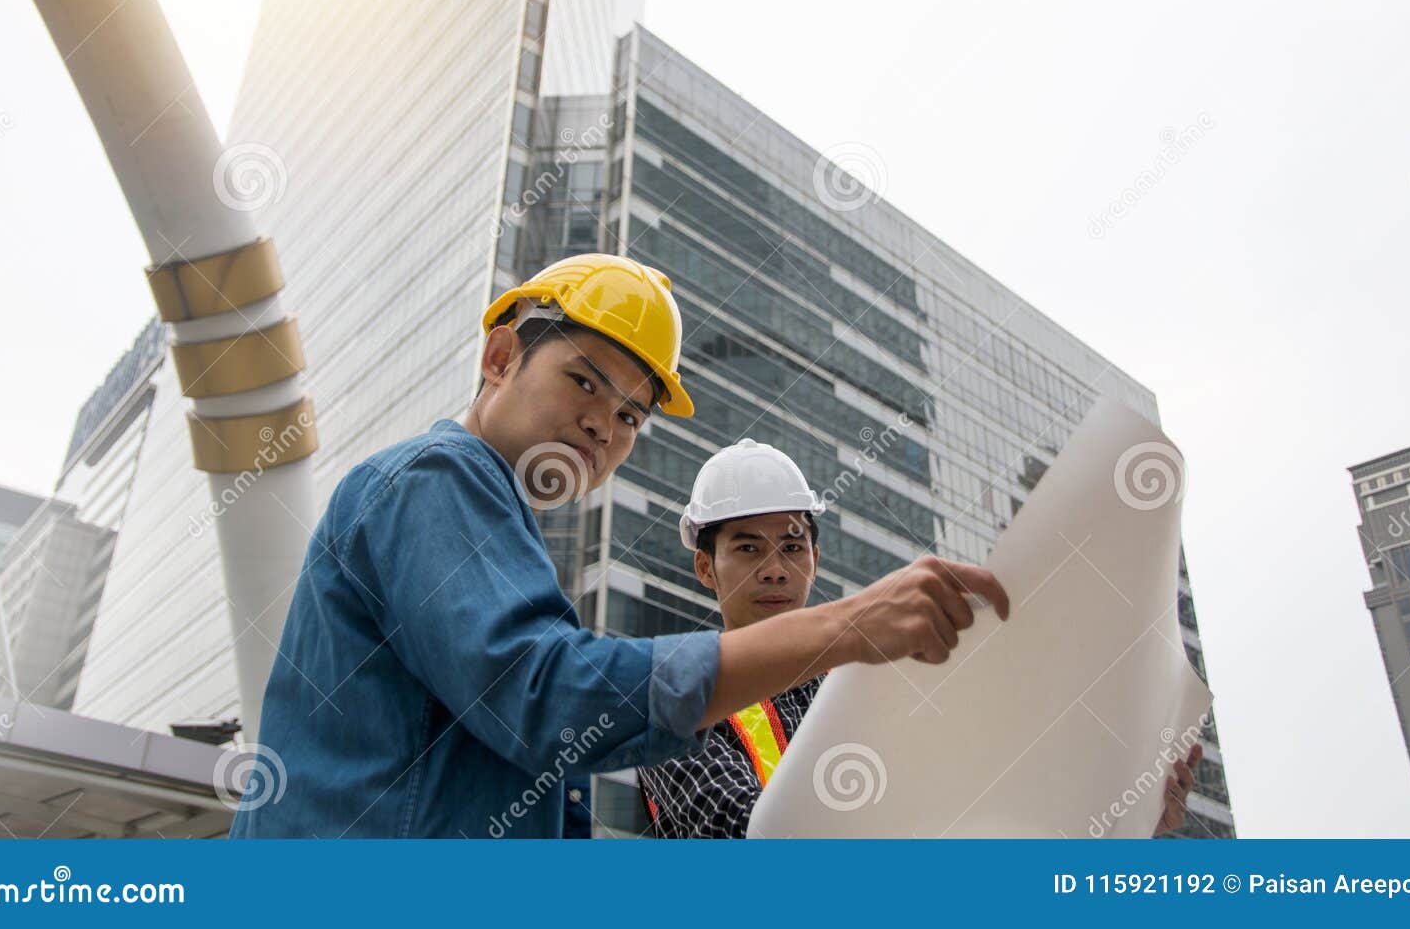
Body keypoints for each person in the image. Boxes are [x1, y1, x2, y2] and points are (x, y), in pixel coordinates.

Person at [229, 254, 1009, 837]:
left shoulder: (496, 531)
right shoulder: (432, 480)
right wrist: (848, 625)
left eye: (633, 415)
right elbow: (551, 697)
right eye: (585, 381)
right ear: (500, 358)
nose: (605, 424)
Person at [637, 438, 1202, 838]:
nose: (775, 569)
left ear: (815, 558)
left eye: (791, 546)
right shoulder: (676, 703)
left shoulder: (876, 686)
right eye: (747, 548)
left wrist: (1123, 818)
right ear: (706, 568)